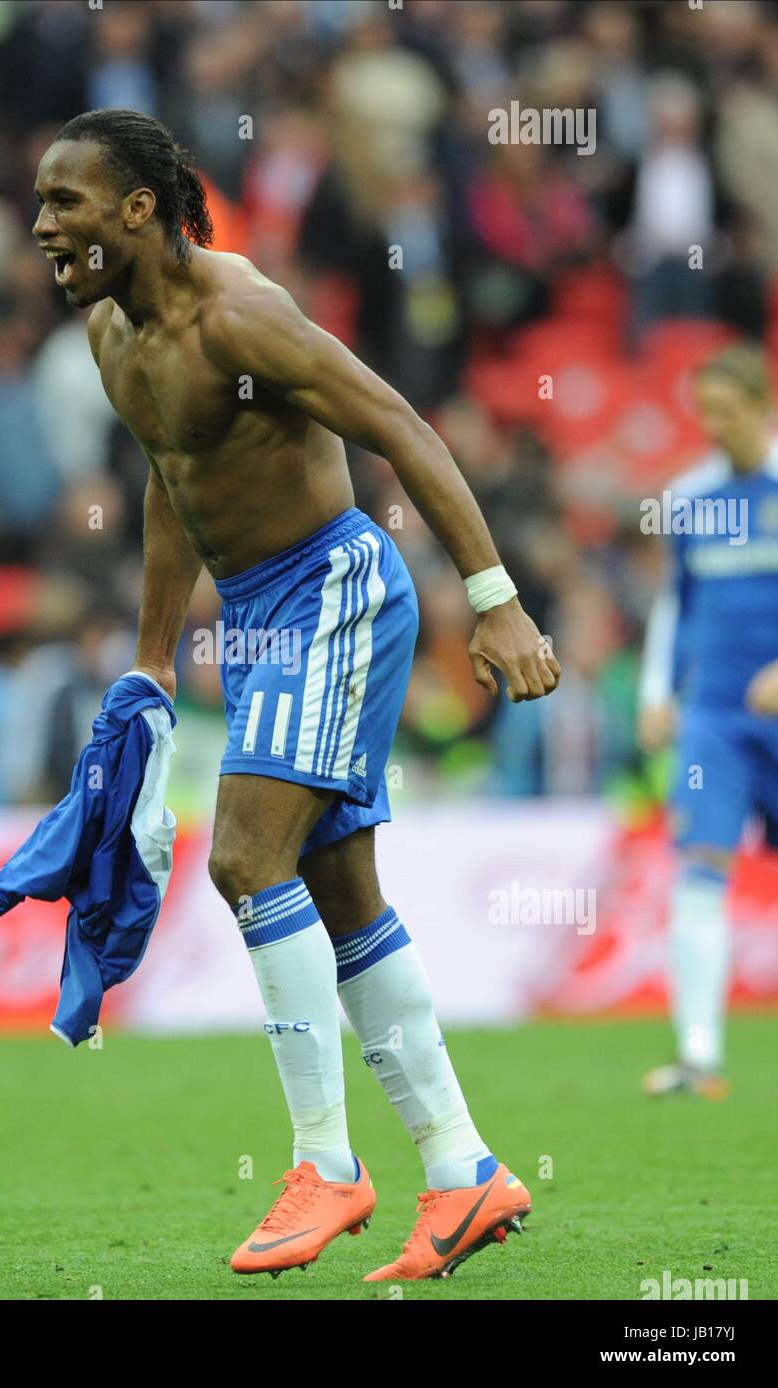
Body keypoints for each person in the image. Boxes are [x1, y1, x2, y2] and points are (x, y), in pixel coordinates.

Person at [33, 108, 560, 1282]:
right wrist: (152, 661)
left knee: (241, 856)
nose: (42, 227)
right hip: (257, 616)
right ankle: (464, 1169)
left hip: (331, 588)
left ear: (137, 210)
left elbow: (399, 425)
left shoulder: (241, 316)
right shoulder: (113, 335)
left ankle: (324, 1162)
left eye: (65, 202)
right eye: (39, 203)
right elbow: (173, 480)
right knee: (339, 892)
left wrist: (496, 600)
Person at [639, 344, 778, 1100]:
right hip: (715, 720)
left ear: (763, 406)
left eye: (726, 412)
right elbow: (678, 604)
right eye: (705, 413)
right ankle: (697, 1057)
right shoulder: (691, 498)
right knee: (700, 868)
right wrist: (655, 692)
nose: (713, 426)